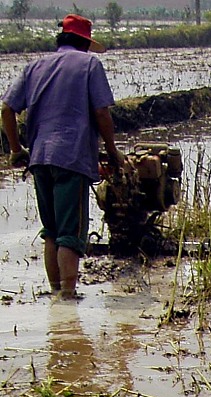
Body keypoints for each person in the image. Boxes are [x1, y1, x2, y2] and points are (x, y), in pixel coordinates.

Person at [1, 14, 123, 299]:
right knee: (70, 231)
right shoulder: (89, 64)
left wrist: (16, 150)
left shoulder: (35, 66)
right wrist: (112, 150)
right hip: (72, 157)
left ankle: (55, 294)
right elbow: (101, 112)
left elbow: (6, 109)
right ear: (85, 43)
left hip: (39, 159)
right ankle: (68, 297)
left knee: (52, 231)